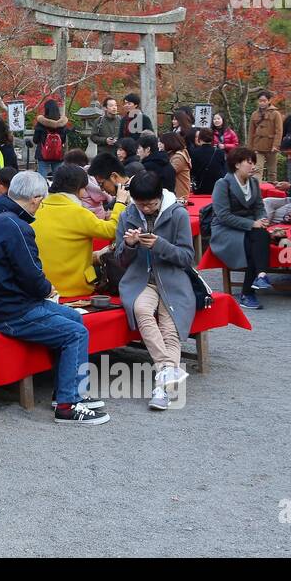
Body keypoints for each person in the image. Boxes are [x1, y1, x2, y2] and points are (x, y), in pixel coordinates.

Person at [0, 171, 109, 424]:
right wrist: (48, 290)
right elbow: (32, 276)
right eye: (41, 201)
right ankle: (68, 406)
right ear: (35, 199)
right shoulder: (17, 227)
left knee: (74, 319)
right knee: (75, 332)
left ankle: (68, 391)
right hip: (11, 309)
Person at [112, 172, 196, 411]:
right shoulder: (127, 216)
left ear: (161, 197)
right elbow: (120, 260)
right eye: (141, 204)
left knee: (170, 329)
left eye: (151, 204)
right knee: (141, 308)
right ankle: (168, 370)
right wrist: (129, 245)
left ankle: (163, 388)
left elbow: (187, 257)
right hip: (140, 280)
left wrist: (160, 245)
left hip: (173, 281)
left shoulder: (177, 214)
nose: (147, 209)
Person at [33, 162, 128, 300]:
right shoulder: (78, 213)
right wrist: (120, 203)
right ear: (81, 189)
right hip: (74, 287)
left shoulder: (37, 210)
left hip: (41, 285)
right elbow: (112, 230)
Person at [210, 148, 273, 310]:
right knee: (252, 244)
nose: (253, 166)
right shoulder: (223, 184)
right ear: (237, 164)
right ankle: (248, 292)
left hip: (249, 226)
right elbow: (223, 216)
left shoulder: (253, 182)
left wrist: (262, 218)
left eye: (253, 162)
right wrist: (252, 224)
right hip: (226, 229)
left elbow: (259, 206)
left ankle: (260, 276)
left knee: (262, 236)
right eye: (249, 162)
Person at [249, 91, 285, 183]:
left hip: (271, 145)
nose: (262, 103)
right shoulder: (254, 114)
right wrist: (250, 148)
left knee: (272, 171)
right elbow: (251, 132)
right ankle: (256, 190)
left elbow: (279, 131)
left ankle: (272, 190)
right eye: (260, 101)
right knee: (257, 170)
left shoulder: (275, 113)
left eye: (264, 101)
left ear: (269, 101)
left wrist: (276, 145)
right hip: (258, 145)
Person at [64, 148, 109, 216]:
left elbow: (99, 193)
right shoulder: (91, 173)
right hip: (97, 212)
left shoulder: (81, 176)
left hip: (90, 214)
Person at [33, 92, 68, 177]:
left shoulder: (41, 123)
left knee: (42, 179)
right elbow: (63, 140)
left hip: (43, 155)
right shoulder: (62, 123)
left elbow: (35, 140)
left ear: (46, 109)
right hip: (58, 154)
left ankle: (43, 190)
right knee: (58, 179)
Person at [189, 128, 226, 196]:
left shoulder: (194, 152)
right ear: (212, 139)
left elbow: (192, 170)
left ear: (200, 138)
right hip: (217, 187)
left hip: (200, 186)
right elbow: (224, 170)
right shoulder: (219, 152)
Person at [161, 132, 192, 202]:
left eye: (162, 143)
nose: (160, 145)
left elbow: (168, 174)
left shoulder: (178, 157)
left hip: (179, 195)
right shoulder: (174, 155)